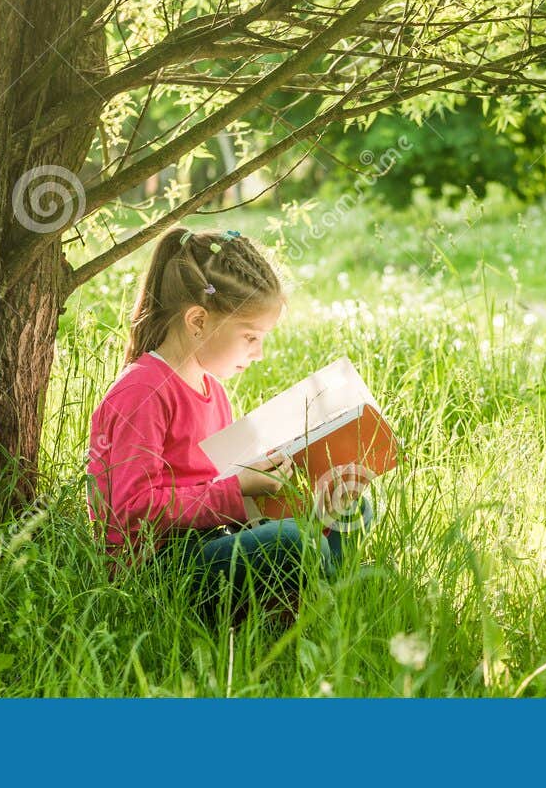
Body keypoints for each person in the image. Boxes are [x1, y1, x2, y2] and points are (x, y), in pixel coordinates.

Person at [85, 226, 372, 622]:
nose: (259, 353)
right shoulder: (143, 392)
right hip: (157, 569)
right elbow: (130, 510)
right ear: (198, 320)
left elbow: (220, 494)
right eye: (251, 336)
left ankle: (308, 601)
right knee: (293, 543)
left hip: (211, 542)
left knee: (349, 502)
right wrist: (237, 491)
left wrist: (288, 488)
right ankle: (301, 604)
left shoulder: (213, 392)